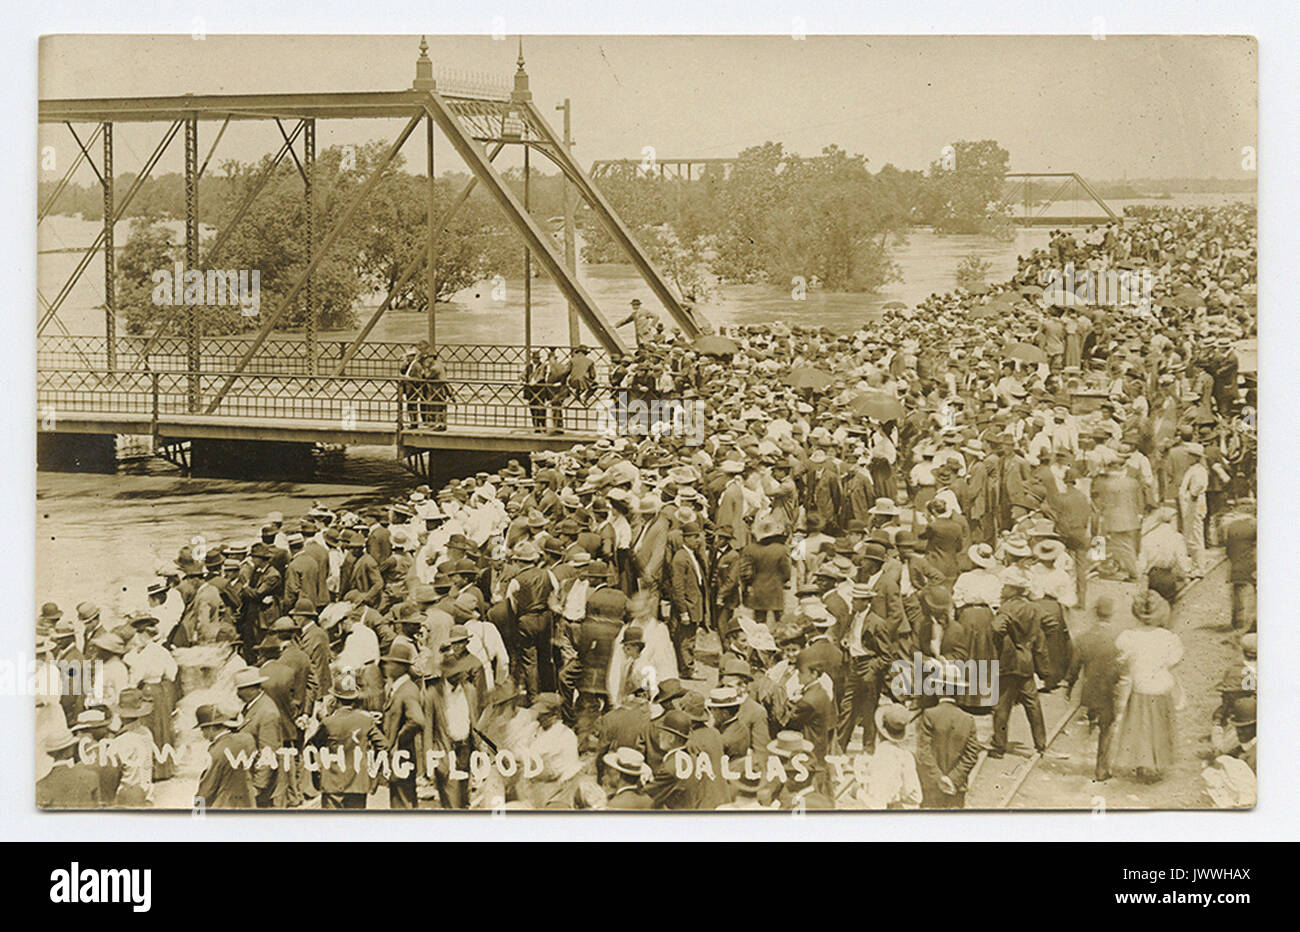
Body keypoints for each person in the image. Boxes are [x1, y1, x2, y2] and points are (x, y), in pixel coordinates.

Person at [1114, 591, 1183, 783]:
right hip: (1160, 687)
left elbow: (1121, 659)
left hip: (1139, 686)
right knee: (1160, 725)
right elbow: (1173, 661)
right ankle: (1158, 763)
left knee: (1140, 726)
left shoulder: (1128, 636)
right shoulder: (1169, 638)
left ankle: (1143, 763)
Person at [988, 567, 1048, 760]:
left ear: (1014, 589)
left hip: (1009, 662)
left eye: (1006, 586)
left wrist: (1004, 640)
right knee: (1033, 704)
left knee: (1001, 706)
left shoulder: (1008, 608)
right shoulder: (1034, 608)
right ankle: (1041, 744)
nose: (1003, 589)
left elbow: (997, 628)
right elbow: (1047, 628)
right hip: (1026, 661)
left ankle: (999, 746)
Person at [1063, 595, 1122, 781]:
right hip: (1109, 690)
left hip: (1090, 690)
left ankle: (1089, 731)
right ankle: (1101, 769)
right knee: (1106, 729)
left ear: (1096, 614)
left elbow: (1074, 667)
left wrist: (1069, 687)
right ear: (1111, 614)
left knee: (1094, 717)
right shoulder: (1118, 638)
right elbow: (1123, 667)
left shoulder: (1083, 638)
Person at [914, 664, 983, 808]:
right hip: (956, 789)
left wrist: (939, 778)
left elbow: (923, 752)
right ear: (959, 692)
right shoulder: (967, 719)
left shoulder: (930, 714)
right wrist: (952, 779)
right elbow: (971, 755)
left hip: (931, 786)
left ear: (939, 689)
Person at [195, 704, 256, 809]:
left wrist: (198, 802)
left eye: (202, 729)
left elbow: (208, 786)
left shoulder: (216, 751)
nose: (202, 734)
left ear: (211, 728)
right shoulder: (247, 739)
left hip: (224, 803)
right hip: (248, 801)